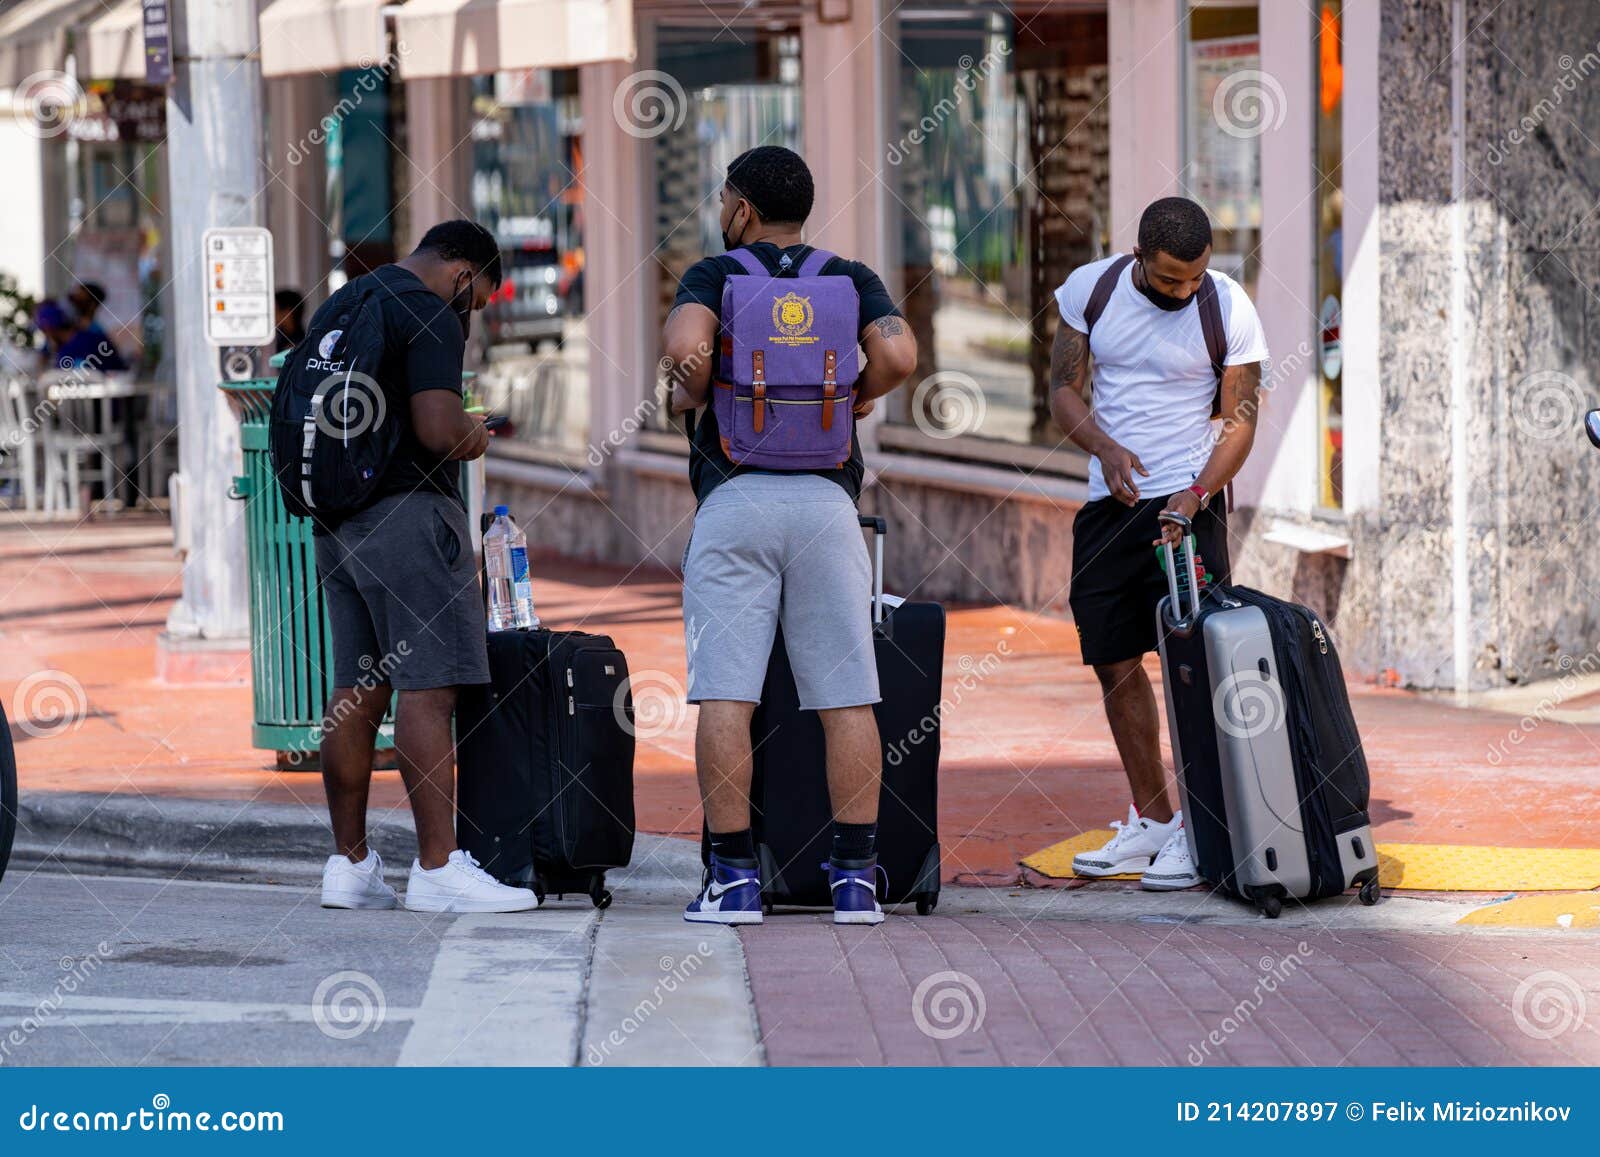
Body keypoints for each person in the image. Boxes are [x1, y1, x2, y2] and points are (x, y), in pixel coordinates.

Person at [663, 146, 918, 926]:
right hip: (826, 504)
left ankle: (734, 881)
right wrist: (850, 397)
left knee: (725, 692)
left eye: (721, 200)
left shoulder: (714, 273)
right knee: (847, 697)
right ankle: (855, 881)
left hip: (735, 501)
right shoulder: (850, 277)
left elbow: (684, 351)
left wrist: (702, 389)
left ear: (739, 209)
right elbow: (901, 353)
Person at [312, 219, 537, 915]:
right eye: (482, 296)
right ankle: (438, 868)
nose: (475, 310)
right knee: (431, 687)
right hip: (410, 517)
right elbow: (439, 427)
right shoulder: (432, 309)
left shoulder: (345, 302)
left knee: (356, 689)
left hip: (338, 520)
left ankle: (348, 865)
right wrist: (475, 433)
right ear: (463, 272)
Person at [1049, 196, 1267, 891]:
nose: (1186, 290)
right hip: (1109, 506)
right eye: (1172, 279)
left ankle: (1204, 828)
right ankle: (1156, 821)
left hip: (1186, 505)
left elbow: (1239, 421)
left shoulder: (1228, 307)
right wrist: (1106, 448)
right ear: (1139, 257)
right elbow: (1062, 389)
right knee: (1113, 661)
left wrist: (1196, 494)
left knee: (1194, 664)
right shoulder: (1093, 288)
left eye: (1195, 276)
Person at [274, 288, 307, 353]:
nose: (272, 315)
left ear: (287, 313)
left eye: (275, 309)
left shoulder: (301, 344)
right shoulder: (279, 339)